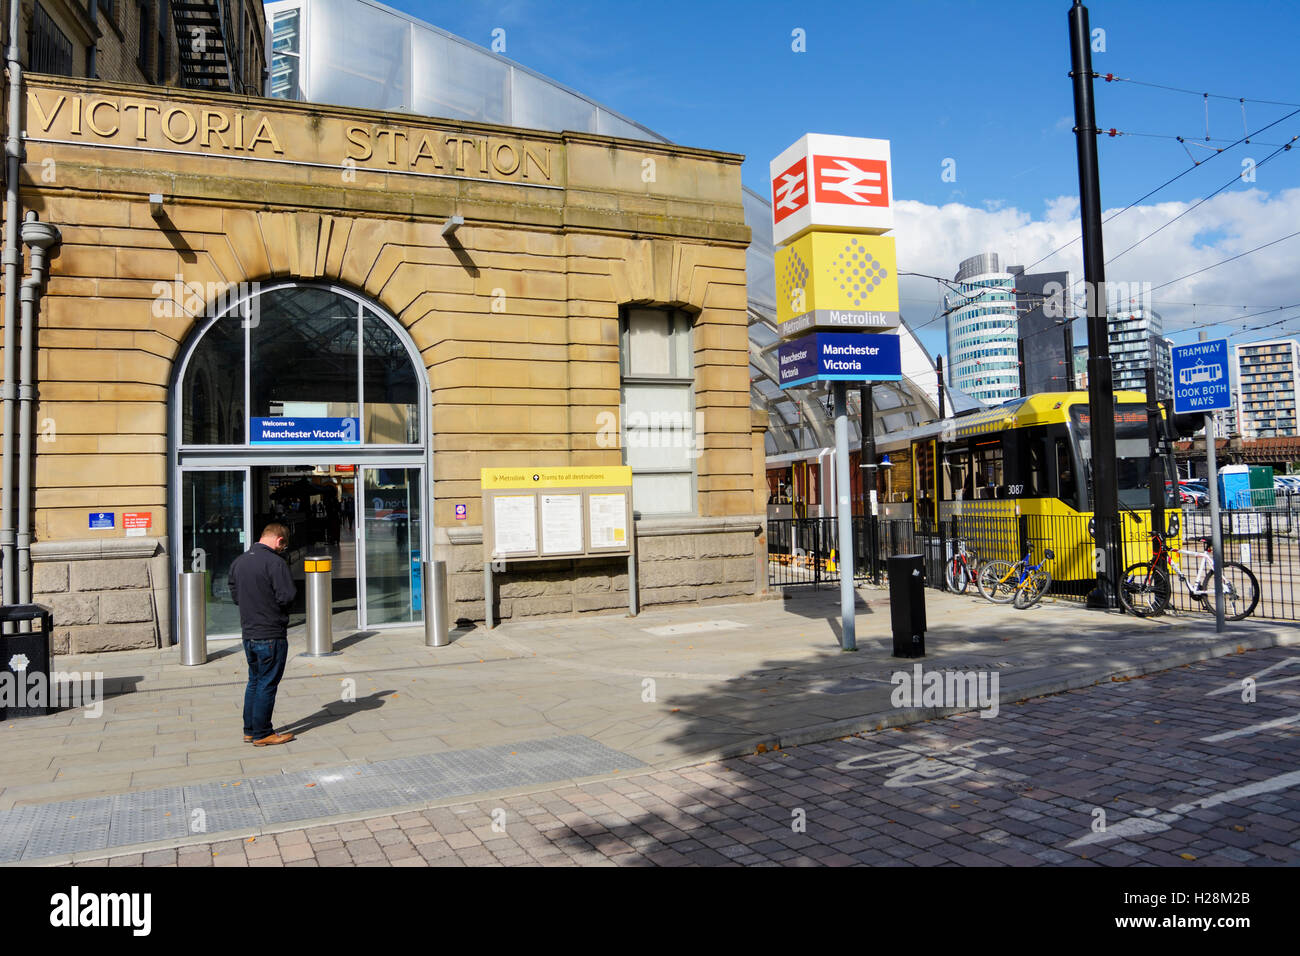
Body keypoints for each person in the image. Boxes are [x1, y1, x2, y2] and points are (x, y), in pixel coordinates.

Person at [228, 522, 297, 746]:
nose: (281, 550)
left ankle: (250, 730)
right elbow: (287, 596)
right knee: (267, 683)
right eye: (282, 546)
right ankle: (263, 733)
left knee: (255, 682)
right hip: (271, 633)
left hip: (249, 633)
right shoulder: (275, 563)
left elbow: (235, 595)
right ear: (279, 540)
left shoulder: (239, 562)